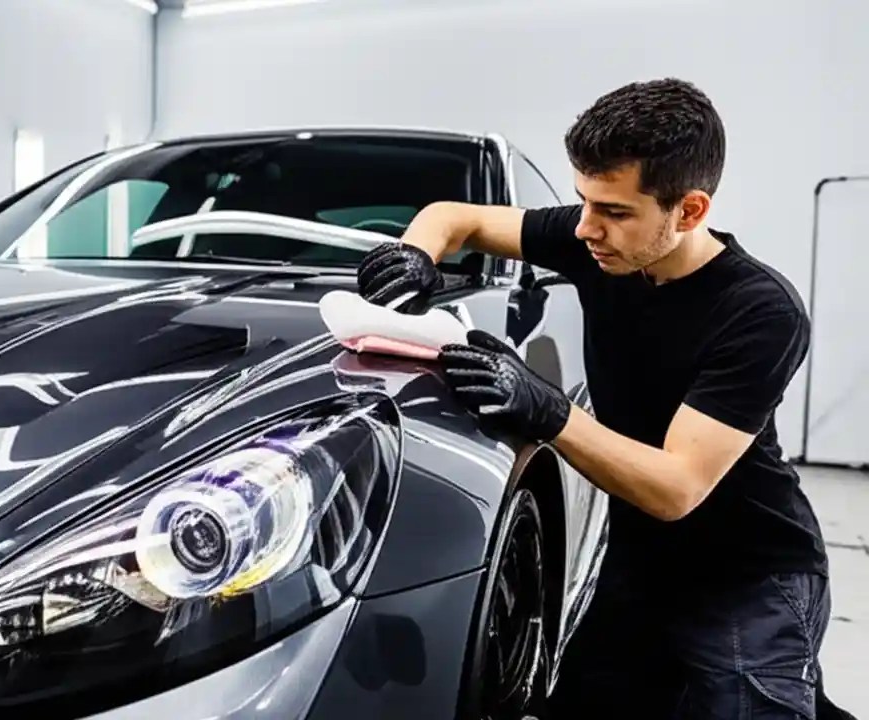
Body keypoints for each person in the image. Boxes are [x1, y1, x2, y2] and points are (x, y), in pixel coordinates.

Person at [357, 78, 853, 718]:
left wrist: (550, 412)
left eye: (615, 212)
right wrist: (415, 254)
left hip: (751, 575)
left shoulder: (759, 311)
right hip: (641, 566)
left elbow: (676, 487)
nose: (587, 228)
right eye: (583, 201)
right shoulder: (598, 241)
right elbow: (459, 217)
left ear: (690, 210)